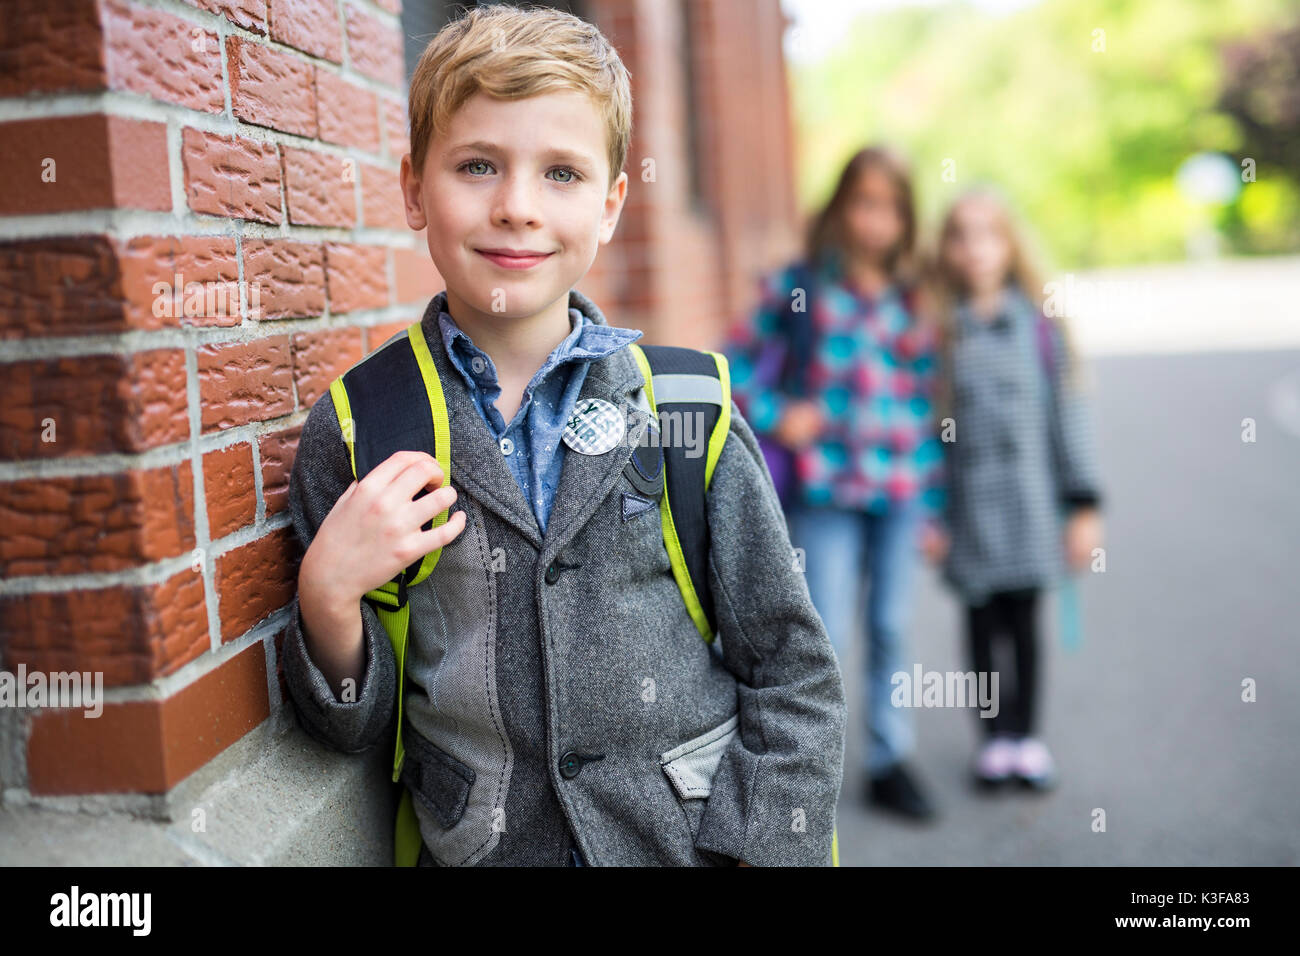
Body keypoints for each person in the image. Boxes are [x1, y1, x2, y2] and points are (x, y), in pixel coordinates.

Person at [279, 4, 845, 866]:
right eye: (477, 165)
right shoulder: (363, 427)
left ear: (612, 203)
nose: (516, 208)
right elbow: (357, 728)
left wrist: (759, 850)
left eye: (562, 175)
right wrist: (327, 601)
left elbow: (793, 672)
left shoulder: (688, 410)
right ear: (412, 190)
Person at [727, 146, 944, 820]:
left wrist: (936, 507)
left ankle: (887, 758)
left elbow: (932, 402)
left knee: (891, 625)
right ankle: (806, 767)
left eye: (891, 206)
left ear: (908, 218)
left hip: (902, 494)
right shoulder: (800, 287)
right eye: (864, 202)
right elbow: (728, 360)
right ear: (841, 206)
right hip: (826, 495)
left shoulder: (919, 296)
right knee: (822, 632)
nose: (876, 220)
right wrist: (774, 414)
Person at [923, 186, 1104, 790]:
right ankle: (993, 740)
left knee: (1025, 624)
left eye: (989, 234)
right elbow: (928, 431)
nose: (976, 249)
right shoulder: (939, 331)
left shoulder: (1040, 327)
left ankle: (1026, 738)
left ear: (1010, 244)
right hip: (969, 510)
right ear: (946, 249)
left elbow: (1066, 418)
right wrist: (930, 513)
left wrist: (1082, 505)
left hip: (1029, 506)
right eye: (962, 235)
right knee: (980, 625)